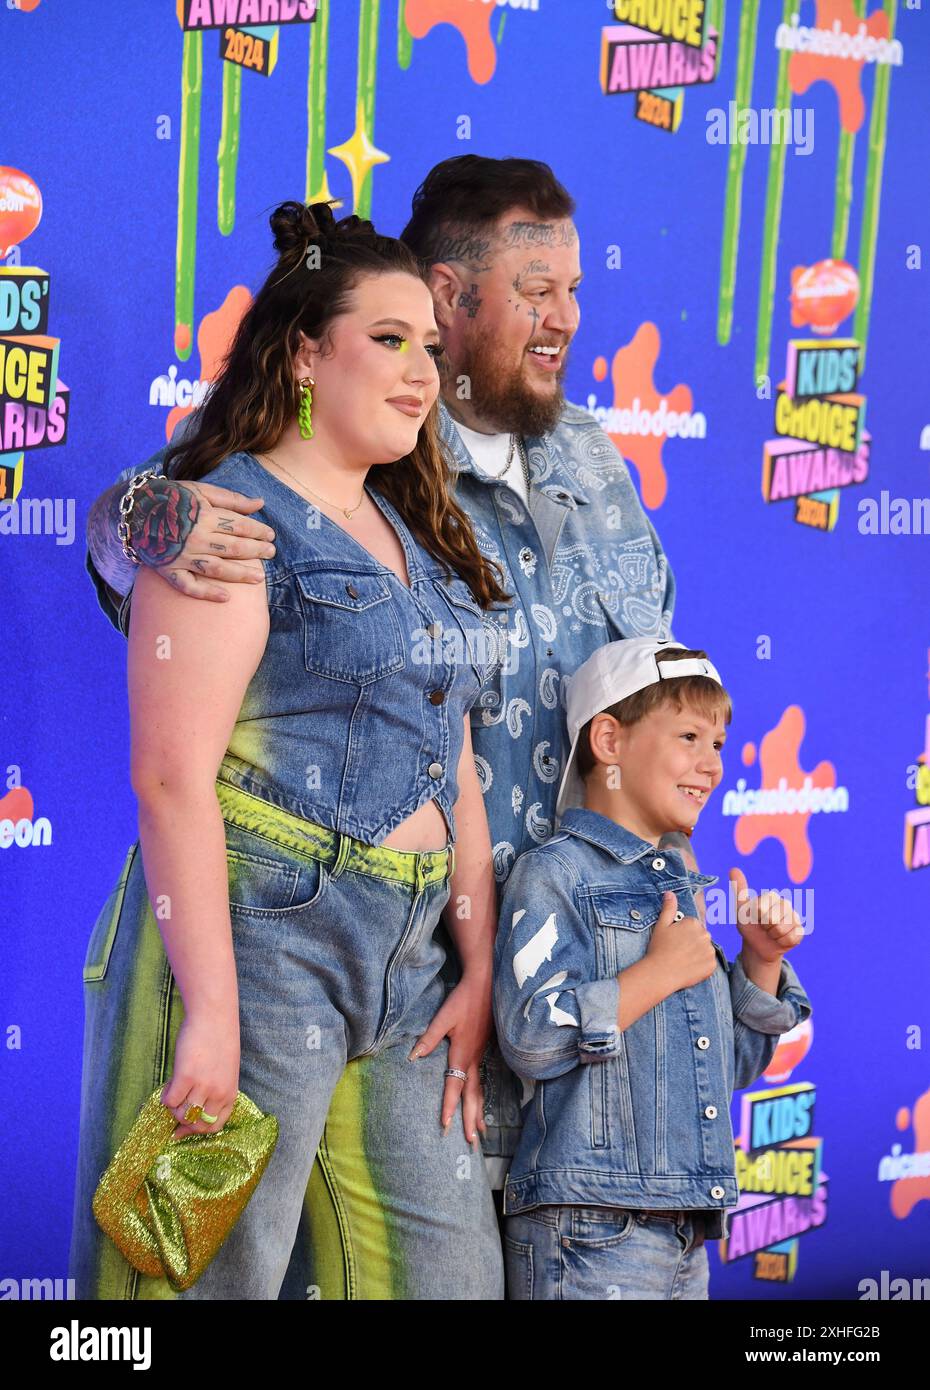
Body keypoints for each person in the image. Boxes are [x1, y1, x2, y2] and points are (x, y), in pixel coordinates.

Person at [82, 156, 693, 1290]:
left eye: (574, 286)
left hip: (527, 983)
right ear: (450, 297)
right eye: (536, 287)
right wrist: (140, 513)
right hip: (306, 931)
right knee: (198, 1271)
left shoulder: (592, 464)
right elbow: (146, 531)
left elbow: (538, 731)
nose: (568, 313)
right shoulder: (331, 464)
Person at [69, 200, 510, 1300]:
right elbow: (170, 779)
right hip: (262, 939)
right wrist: (211, 1011)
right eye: (389, 340)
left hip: (412, 970)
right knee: (190, 1283)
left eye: (432, 348)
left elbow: (452, 759)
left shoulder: (419, 538)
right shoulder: (216, 522)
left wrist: (480, 963)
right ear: (307, 351)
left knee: (444, 1282)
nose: (422, 372)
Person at [493, 638, 812, 1300]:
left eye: (720, 745)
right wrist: (657, 975)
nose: (712, 764)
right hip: (589, 1229)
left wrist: (760, 960)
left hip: (684, 1230)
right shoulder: (556, 872)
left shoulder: (681, 890)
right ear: (609, 741)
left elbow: (726, 1070)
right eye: (691, 736)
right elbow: (531, 1035)